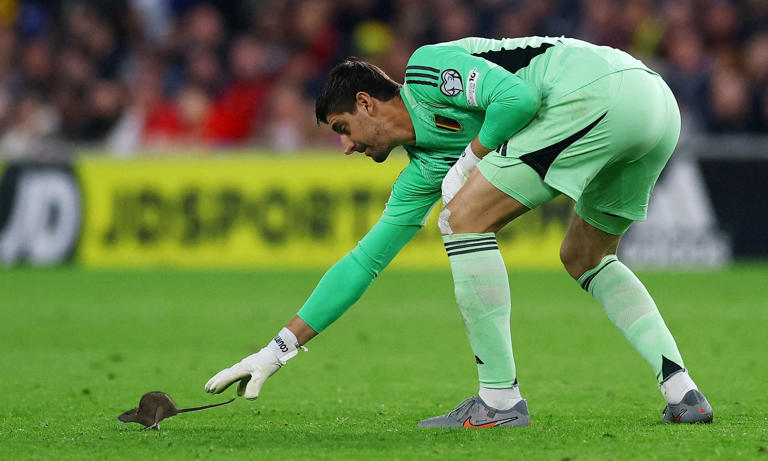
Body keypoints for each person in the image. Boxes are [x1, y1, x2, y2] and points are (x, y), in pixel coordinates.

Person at [205, 36, 713, 427]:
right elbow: (365, 261)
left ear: (365, 103)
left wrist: (472, 157)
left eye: (342, 129)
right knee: (586, 255)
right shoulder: (422, 170)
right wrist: (278, 349)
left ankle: (498, 400)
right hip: (656, 110)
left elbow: (515, 99)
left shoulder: (428, 70)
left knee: (461, 218)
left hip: (599, 92)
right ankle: (681, 388)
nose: (346, 147)